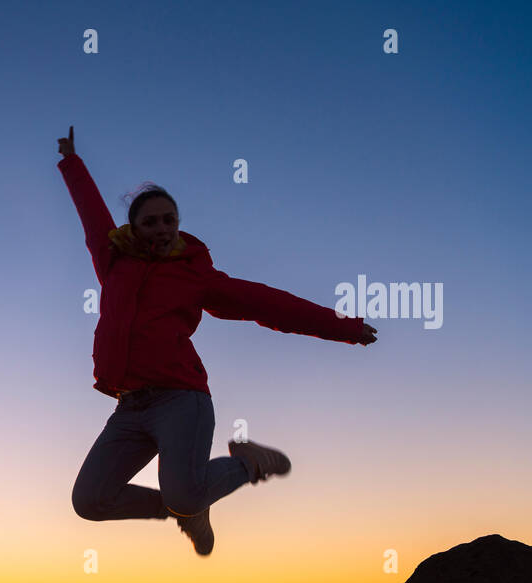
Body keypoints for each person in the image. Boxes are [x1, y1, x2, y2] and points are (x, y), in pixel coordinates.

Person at [57, 125, 377, 555]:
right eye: (149, 222)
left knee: (185, 493)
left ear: (178, 223)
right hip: (129, 406)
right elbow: (91, 213)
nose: (161, 229)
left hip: (180, 400)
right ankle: (187, 509)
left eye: (169, 220)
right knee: (90, 501)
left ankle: (247, 464)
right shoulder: (113, 261)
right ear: (133, 229)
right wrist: (72, 162)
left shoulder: (196, 276)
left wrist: (345, 327)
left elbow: (270, 304)